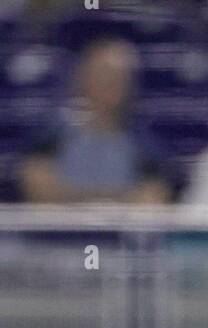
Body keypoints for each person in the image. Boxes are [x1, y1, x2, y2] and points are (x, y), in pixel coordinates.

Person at [18, 38, 172, 205]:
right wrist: (110, 200)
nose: (111, 82)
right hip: (60, 229)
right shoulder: (51, 133)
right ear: (83, 77)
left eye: (120, 76)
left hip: (121, 230)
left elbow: (153, 199)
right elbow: (38, 190)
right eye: (104, 73)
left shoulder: (144, 145)